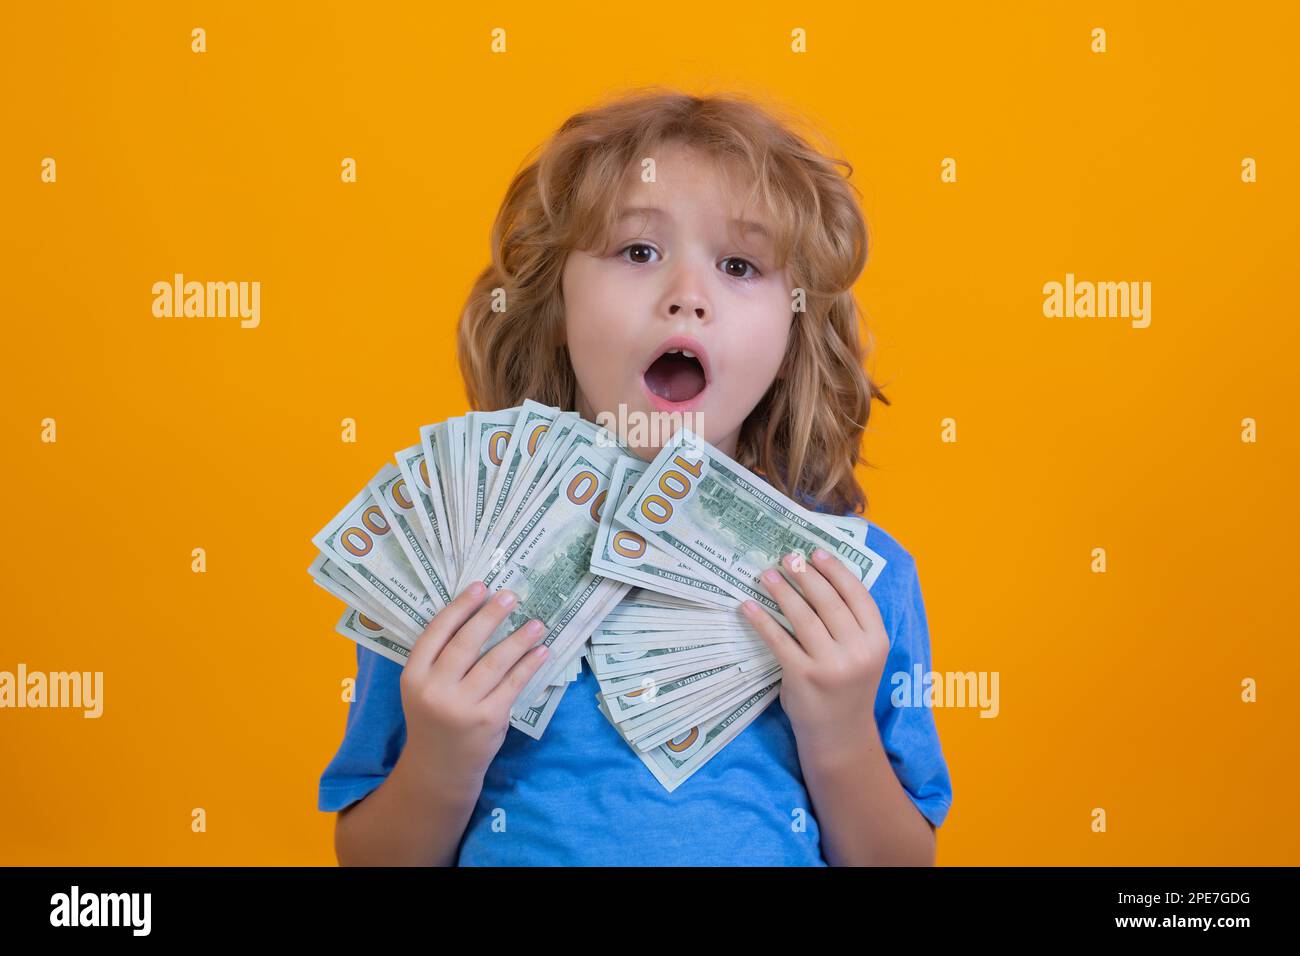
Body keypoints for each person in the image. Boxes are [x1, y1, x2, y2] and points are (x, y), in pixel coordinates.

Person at [319, 87, 953, 865]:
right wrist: (444, 758)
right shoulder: (446, 561)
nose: (687, 297)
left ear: (795, 332)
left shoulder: (854, 588)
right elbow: (371, 857)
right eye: (638, 252)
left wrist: (841, 736)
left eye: (740, 265)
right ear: (554, 305)